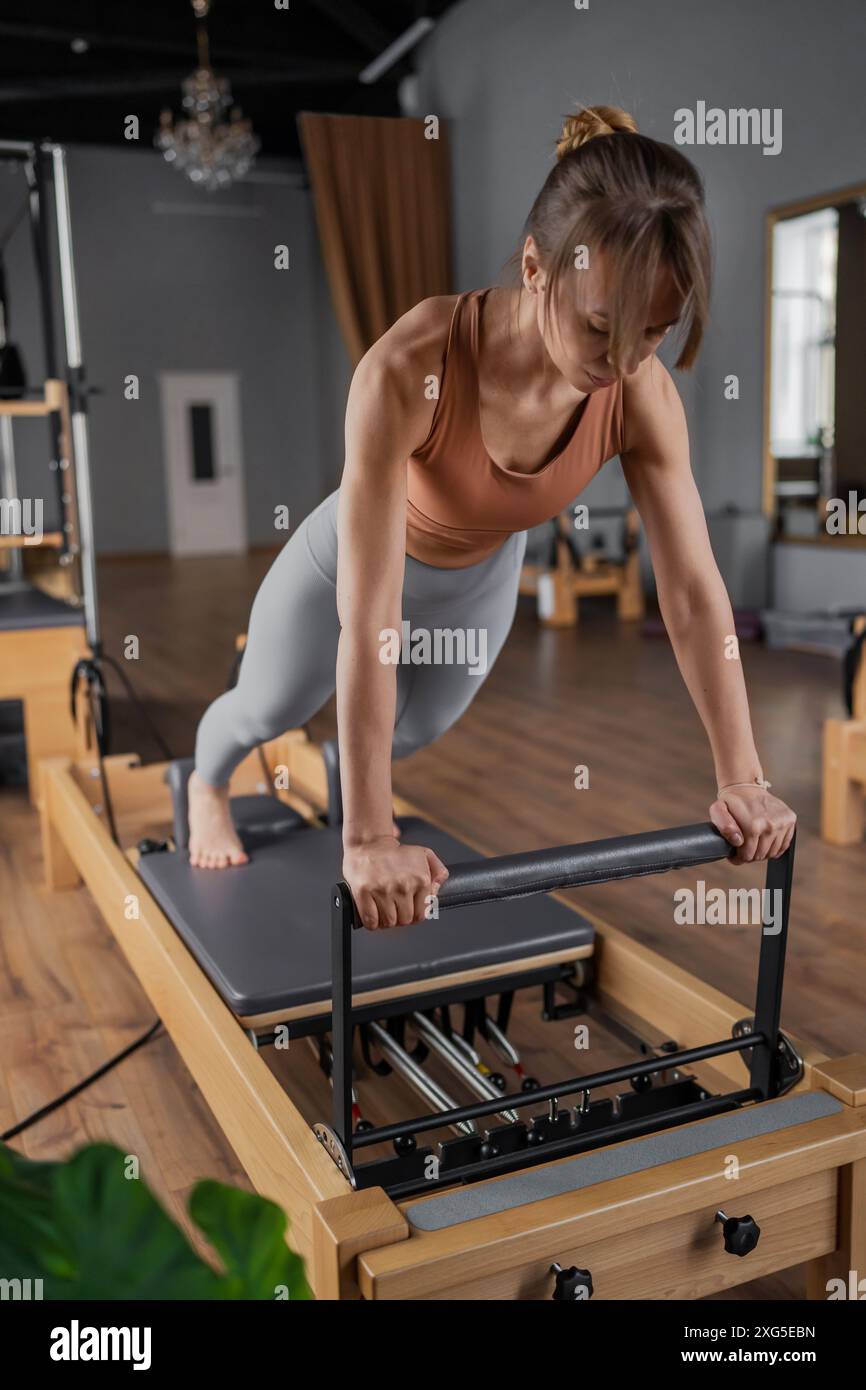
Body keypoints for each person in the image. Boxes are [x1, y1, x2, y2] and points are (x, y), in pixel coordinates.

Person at [187, 103, 797, 931]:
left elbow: (691, 591)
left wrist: (743, 777)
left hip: (480, 578)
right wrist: (368, 834)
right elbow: (370, 617)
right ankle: (207, 781)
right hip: (352, 563)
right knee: (266, 709)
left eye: (654, 332)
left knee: (409, 734)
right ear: (536, 267)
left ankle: (342, 748)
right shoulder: (411, 364)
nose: (623, 363)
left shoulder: (643, 397)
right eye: (600, 327)